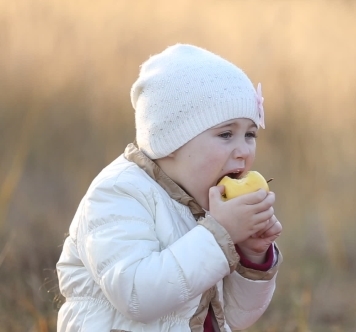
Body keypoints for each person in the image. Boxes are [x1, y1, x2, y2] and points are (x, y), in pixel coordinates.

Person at [56, 43, 283, 332]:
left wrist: (252, 254)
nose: (243, 151)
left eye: (250, 134)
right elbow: (137, 296)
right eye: (226, 134)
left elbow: (235, 317)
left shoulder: (203, 203)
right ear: (170, 141)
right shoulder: (118, 194)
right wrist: (219, 236)